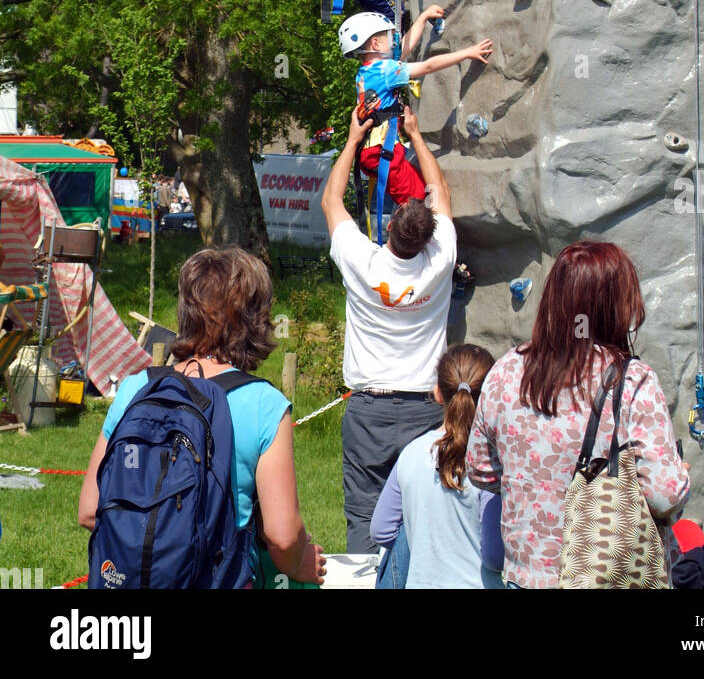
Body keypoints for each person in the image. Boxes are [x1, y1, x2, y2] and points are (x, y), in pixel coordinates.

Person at [79, 246, 325, 589]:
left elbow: (90, 510)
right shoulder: (264, 404)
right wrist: (300, 565)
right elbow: (282, 538)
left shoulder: (135, 388)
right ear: (255, 318)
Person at [465, 241, 690, 589]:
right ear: (613, 308)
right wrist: (677, 474)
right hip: (606, 573)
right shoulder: (631, 379)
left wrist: (537, 484)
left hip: (526, 576)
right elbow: (665, 495)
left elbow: (480, 469)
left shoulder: (506, 370)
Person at [322, 104, 457, 552]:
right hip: (426, 409)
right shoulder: (440, 261)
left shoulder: (364, 261)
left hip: (370, 410)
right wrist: (417, 134)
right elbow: (439, 191)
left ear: (388, 228)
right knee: (423, 514)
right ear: (428, 236)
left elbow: (331, 201)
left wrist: (353, 140)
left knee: (364, 513)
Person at [370, 343, 505, 589]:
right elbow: (495, 557)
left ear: (437, 393)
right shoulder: (491, 461)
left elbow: (381, 530)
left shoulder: (411, 454)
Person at [337, 9, 494, 208]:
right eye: (388, 37)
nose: (393, 41)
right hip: (382, 152)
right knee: (419, 205)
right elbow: (428, 66)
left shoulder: (368, 71)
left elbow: (405, 47)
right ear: (376, 44)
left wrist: (423, 17)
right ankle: (411, 236)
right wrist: (467, 53)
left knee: (418, 201)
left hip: (375, 151)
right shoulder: (386, 71)